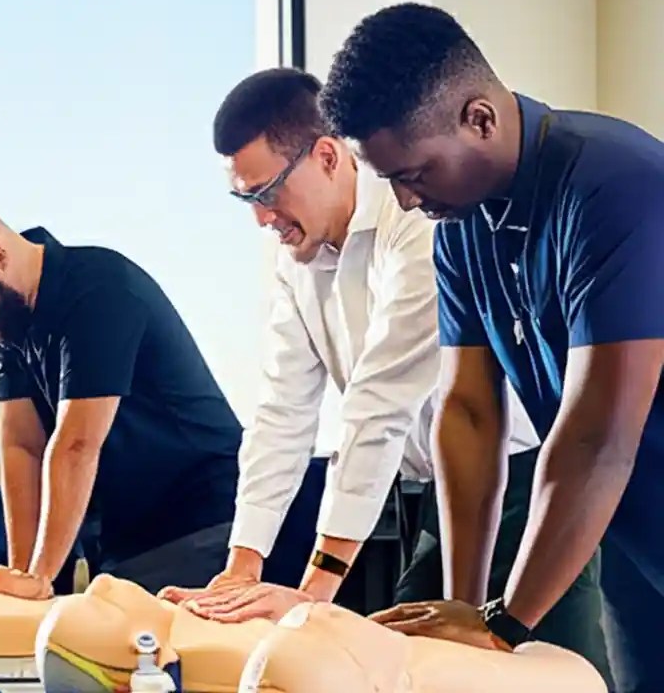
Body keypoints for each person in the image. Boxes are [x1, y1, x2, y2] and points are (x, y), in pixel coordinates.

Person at [157, 67, 608, 675]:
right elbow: (281, 415)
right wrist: (243, 564)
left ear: (325, 156)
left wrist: (314, 593)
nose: (261, 220)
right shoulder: (299, 261)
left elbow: (379, 403)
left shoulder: (417, 225)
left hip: (525, 489)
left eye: (265, 194)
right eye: (246, 200)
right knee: (397, 670)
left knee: (561, 676)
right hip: (435, 500)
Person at [319, 2, 664, 691]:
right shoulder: (460, 230)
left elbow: (597, 435)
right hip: (635, 537)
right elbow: (471, 413)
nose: (407, 202)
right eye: (389, 180)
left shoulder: (616, 185)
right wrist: (466, 606)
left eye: (414, 174)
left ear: (480, 118)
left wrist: (505, 623)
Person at [0, 203, 244, 598]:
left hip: (202, 521)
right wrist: (22, 576)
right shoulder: (7, 322)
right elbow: (22, 446)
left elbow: (75, 444)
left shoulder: (100, 289)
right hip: (129, 539)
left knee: (107, 639)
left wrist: (38, 579)